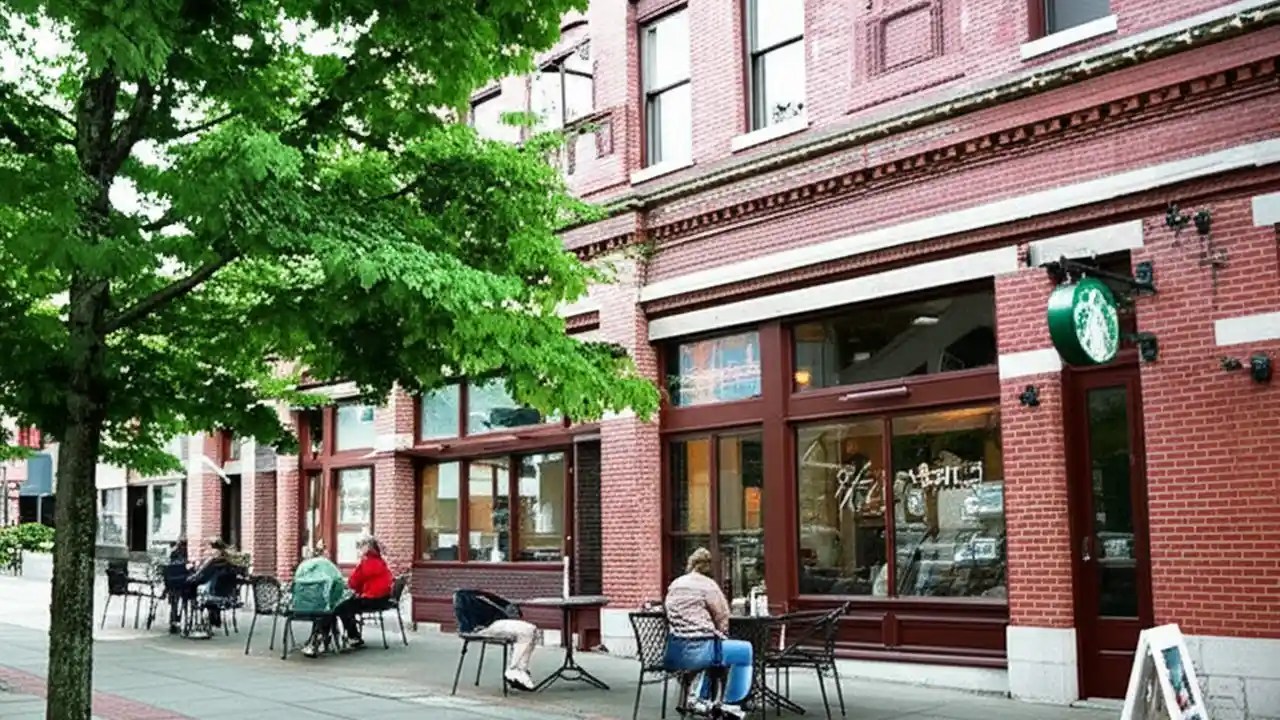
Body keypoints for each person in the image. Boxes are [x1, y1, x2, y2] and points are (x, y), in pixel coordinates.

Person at [663, 548, 752, 720]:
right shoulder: (709, 585)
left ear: (691, 564)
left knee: (710, 657)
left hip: (676, 651)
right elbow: (723, 615)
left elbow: (669, 613)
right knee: (744, 651)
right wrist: (721, 632)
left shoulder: (675, 584)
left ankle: (696, 697)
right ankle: (729, 703)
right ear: (709, 567)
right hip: (703, 649)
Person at [456, 590, 539, 691]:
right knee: (528, 630)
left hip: (490, 624)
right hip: (486, 626)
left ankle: (520, 670)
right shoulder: (468, 595)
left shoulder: (477, 594)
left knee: (532, 633)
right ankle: (514, 670)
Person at [332, 536, 393, 648]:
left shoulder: (366, 562)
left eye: (361, 546)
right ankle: (353, 635)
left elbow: (353, 582)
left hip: (372, 599)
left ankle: (353, 637)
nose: (359, 549)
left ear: (367, 547)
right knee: (349, 604)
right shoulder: (380, 561)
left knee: (342, 608)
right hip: (384, 598)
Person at [294, 547, 351, 657]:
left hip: (300, 608)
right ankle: (322, 638)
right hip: (322, 608)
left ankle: (317, 638)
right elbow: (338, 588)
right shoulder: (329, 567)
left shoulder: (303, 567)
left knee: (322, 606)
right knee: (328, 608)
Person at [184, 538, 238, 637]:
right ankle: (212, 619)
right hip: (225, 593)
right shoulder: (228, 560)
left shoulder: (213, 560)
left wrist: (193, 575)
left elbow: (201, 573)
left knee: (191, 588)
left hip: (212, 593)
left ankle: (193, 621)